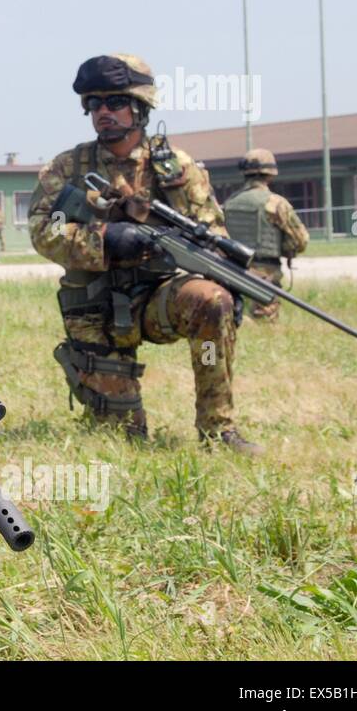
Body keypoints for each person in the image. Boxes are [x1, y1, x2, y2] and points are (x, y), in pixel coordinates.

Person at [27, 54, 263, 455]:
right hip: (95, 306)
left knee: (213, 302)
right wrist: (107, 238)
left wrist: (226, 288)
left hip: (160, 298)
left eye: (115, 102)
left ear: (139, 108)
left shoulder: (178, 170)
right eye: (95, 104)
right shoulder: (68, 168)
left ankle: (217, 430)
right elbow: (41, 230)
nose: (103, 112)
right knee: (121, 436)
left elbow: (212, 235)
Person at [222, 148, 309, 322]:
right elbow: (301, 241)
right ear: (270, 174)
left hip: (231, 271)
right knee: (264, 325)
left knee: (235, 321)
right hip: (265, 274)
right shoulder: (275, 203)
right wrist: (285, 248)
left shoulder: (229, 203)